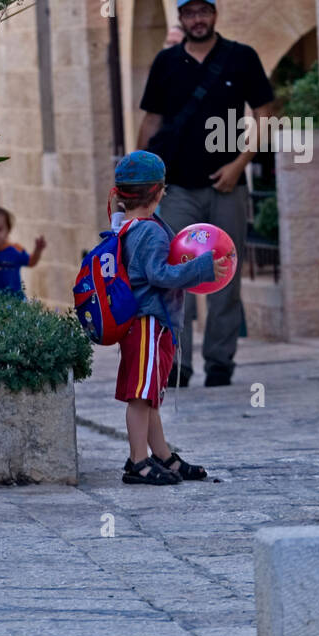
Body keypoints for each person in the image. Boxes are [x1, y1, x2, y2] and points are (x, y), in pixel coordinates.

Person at [136, 0, 275, 388]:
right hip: (176, 188)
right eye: (190, 13)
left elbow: (265, 112)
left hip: (227, 187)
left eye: (204, 12)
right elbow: (151, 120)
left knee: (224, 278)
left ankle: (219, 363)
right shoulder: (165, 63)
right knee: (174, 277)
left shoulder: (240, 57)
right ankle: (177, 364)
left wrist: (239, 164)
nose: (197, 19)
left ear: (215, 14)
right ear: (180, 18)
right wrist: (142, 179)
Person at [107, 150, 230, 485]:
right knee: (140, 396)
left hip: (148, 325)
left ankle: (162, 456)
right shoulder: (148, 231)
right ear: (160, 190)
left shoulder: (130, 226)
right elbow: (161, 275)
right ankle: (137, 462)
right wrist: (203, 267)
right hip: (148, 323)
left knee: (149, 395)